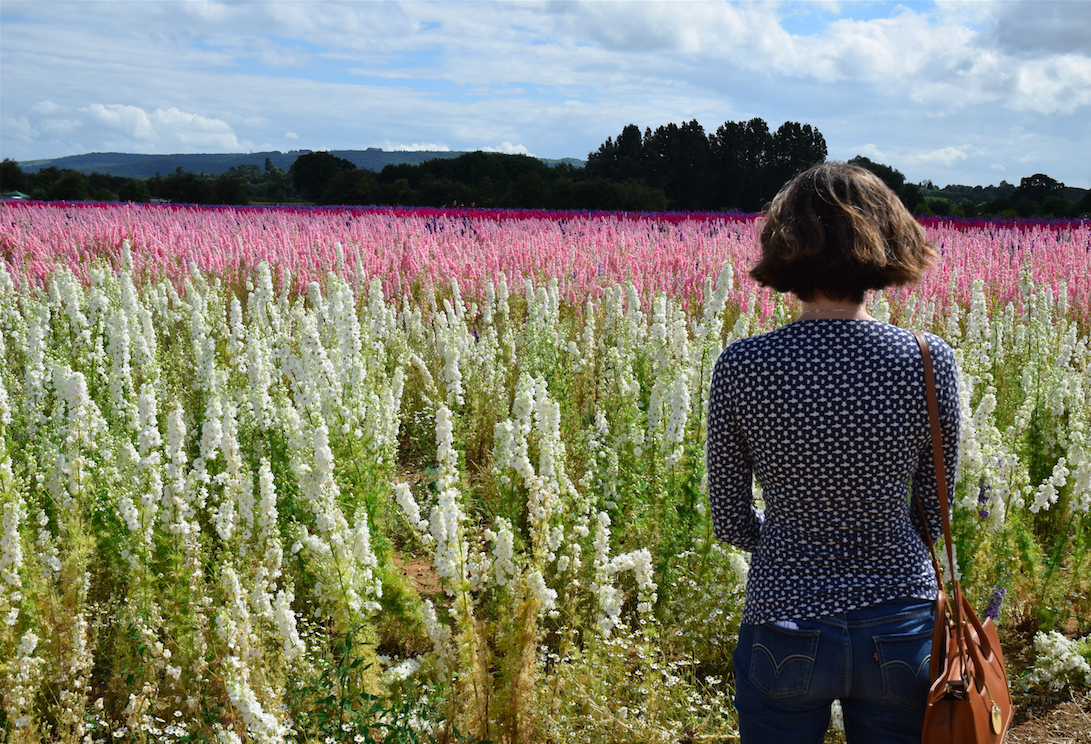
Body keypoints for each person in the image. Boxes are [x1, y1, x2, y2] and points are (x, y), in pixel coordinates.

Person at [705, 162, 960, 744]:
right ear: (888, 243)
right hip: (901, 621)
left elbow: (730, 519)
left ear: (784, 247)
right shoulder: (926, 359)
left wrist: (799, 534)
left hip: (784, 617)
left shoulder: (742, 365)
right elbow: (934, 513)